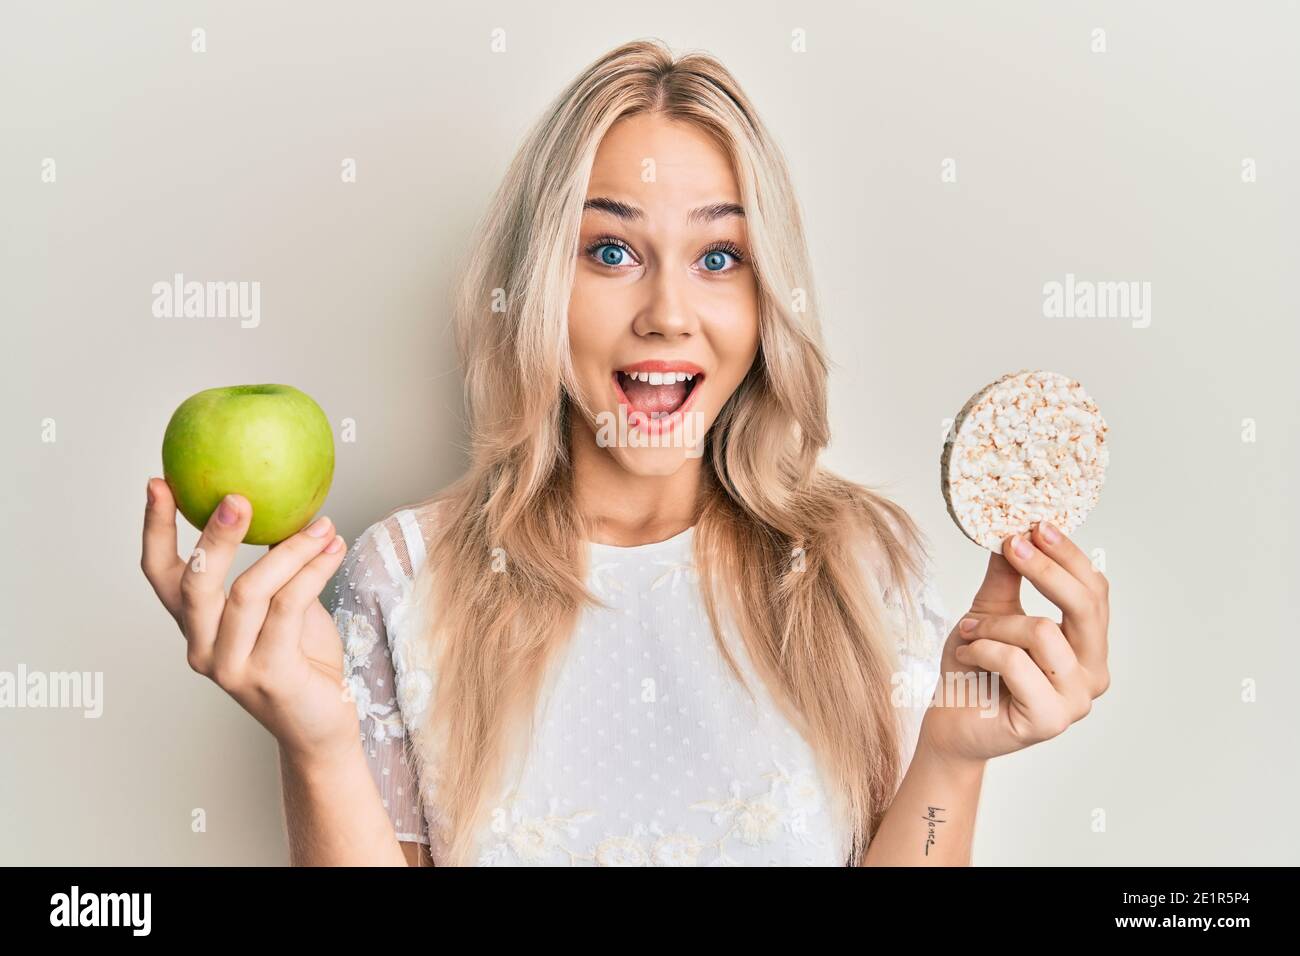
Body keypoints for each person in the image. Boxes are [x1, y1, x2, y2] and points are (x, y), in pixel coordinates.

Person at [141, 39, 1110, 867]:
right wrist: (316, 743)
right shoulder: (403, 574)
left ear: (768, 297)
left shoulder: (855, 565)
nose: (667, 313)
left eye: (718, 257)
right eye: (609, 250)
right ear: (531, 286)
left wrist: (953, 750)